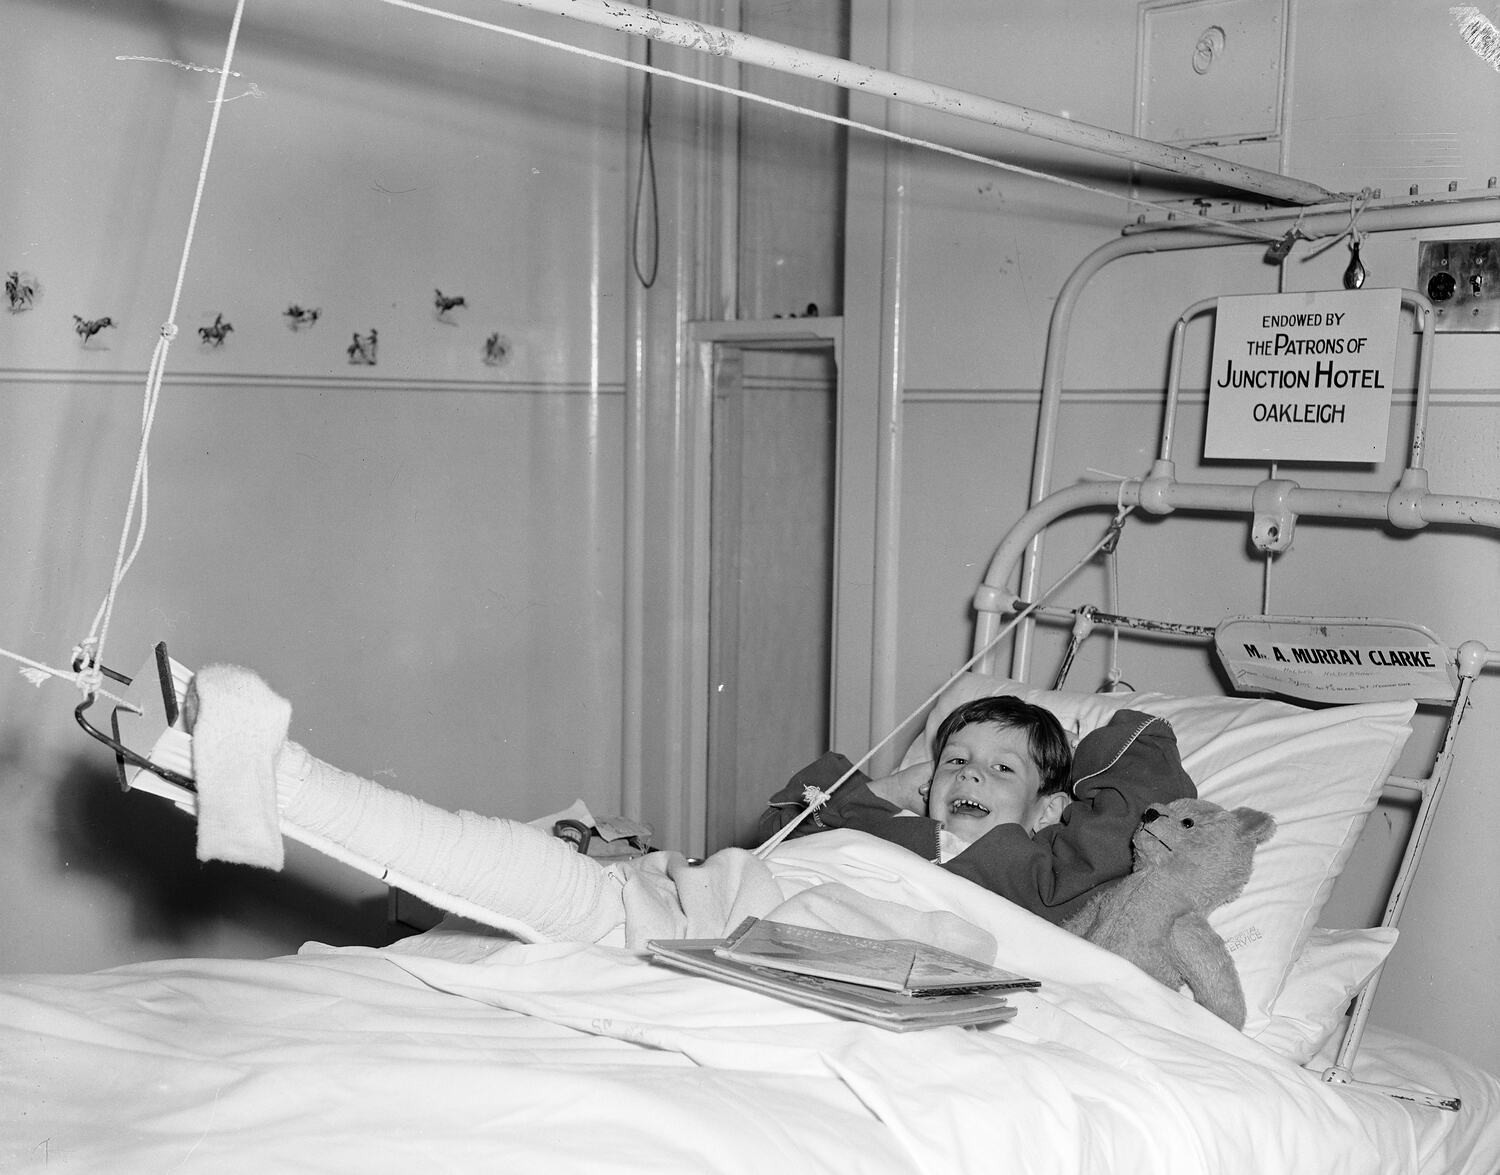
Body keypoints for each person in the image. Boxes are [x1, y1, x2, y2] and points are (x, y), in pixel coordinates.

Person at [761, 695, 1197, 925]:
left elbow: (1141, 804)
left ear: (1047, 811)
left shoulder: (1041, 871)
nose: (970, 774)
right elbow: (775, 836)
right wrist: (892, 789)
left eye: (1003, 768)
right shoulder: (883, 824)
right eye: (955, 760)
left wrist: (1084, 752)